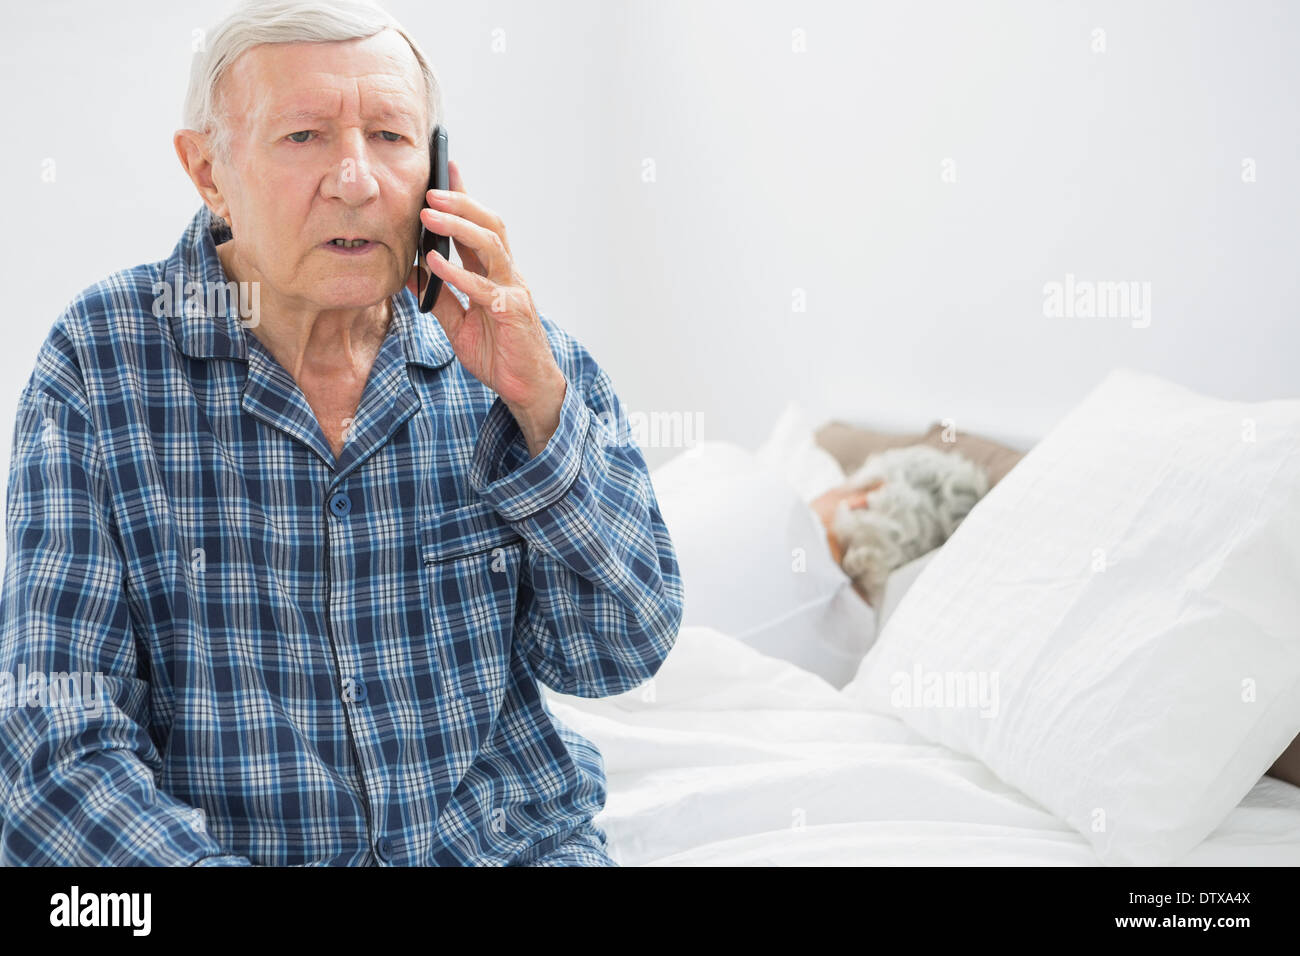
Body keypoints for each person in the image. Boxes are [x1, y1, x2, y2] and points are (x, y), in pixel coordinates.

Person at [0, 0, 683, 866]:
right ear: (208, 169)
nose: (357, 180)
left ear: (437, 167)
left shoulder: (513, 353)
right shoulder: (100, 363)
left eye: (392, 136)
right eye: (305, 137)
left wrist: (541, 409)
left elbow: (618, 653)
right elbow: (54, 750)